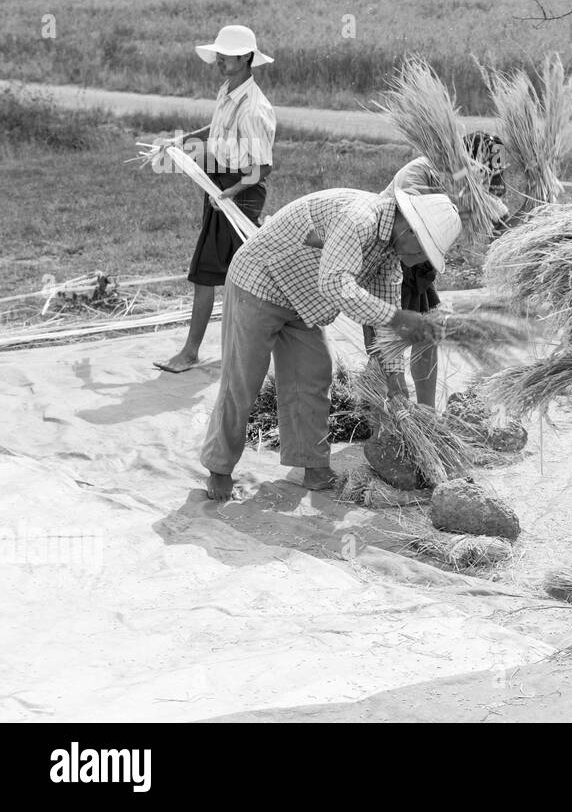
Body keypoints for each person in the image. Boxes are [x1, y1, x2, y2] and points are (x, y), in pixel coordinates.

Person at [199, 187, 462, 503]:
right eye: (423, 252)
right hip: (258, 283)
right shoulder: (360, 219)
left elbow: (382, 322)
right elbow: (336, 283)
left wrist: (395, 381)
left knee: (313, 375)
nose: (420, 261)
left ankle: (313, 467)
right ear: (410, 230)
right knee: (243, 380)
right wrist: (399, 318)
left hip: (302, 301)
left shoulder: (390, 254)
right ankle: (220, 470)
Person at [156, 25, 277, 374]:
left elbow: (262, 167)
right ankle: (250, 348)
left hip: (240, 192)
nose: (219, 61)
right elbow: (215, 130)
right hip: (219, 187)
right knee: (240, 271)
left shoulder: (254, 108)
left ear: (245, 58)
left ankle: (192, 353)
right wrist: (181, 141)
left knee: (206, 271)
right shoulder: (228, 91)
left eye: (226, 56)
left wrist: (232, 193)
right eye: (219, 55)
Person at [374, 132, 508, 407]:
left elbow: (498, 221)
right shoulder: (421, 173)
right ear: (467, 161)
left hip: (420, 264)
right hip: (393, 262)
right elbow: (407, 225)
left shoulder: (464, 181)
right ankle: (381, 411)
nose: (486, 182)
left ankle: (425, 412)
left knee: (427, 335)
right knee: (386, 341)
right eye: (483, 173)